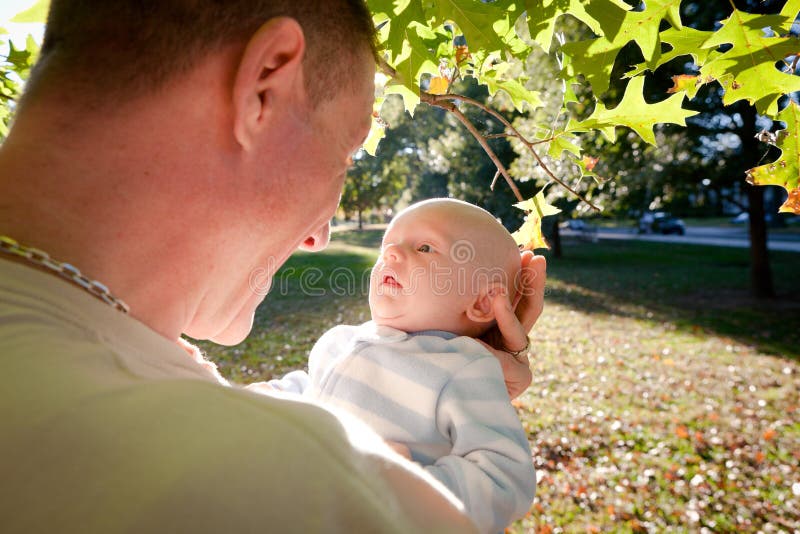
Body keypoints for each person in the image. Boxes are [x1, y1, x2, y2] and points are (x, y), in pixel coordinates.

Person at [0, 0, 547, 531]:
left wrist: (441, 377)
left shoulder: (68, 362)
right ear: (265, 83)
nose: (318, 236)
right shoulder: (302, 489)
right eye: (345, 155)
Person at [255, 199, 537, 533]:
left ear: (482, 302)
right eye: (386, 246)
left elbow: (505, 477)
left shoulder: (463, 369)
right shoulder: (343, 340)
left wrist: (408, 487)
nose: (390, 253)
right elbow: (317, 392)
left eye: (424, 247)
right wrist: (275, 394)